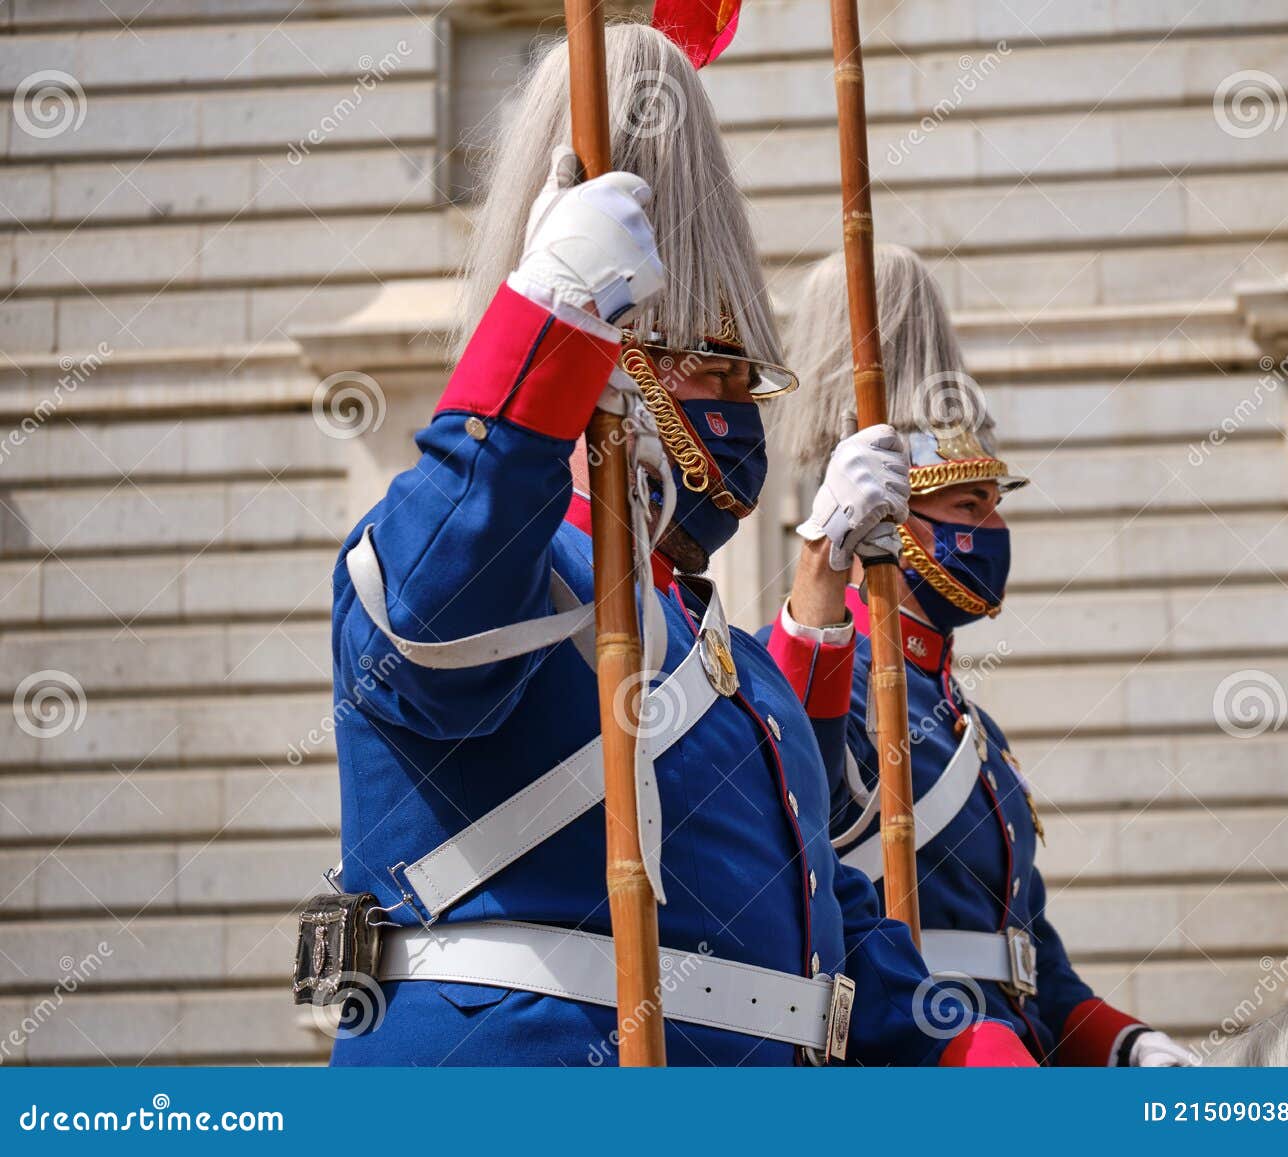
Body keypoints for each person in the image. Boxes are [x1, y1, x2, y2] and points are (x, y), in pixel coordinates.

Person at [322, 25, 1032, 1067]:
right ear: (623, 368)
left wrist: (964, 1048)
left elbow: (828, 929)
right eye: (712, 372)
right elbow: (428, 611)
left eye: (752, 385)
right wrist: (547, 321)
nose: (742, 415)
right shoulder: (523, 574)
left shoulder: (730, 665)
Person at [768, 245, 1197, 1066]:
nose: (993, 532)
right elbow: (796, 792)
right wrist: (824, 558)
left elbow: (1027, 953)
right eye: (970, 505)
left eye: (996, 508)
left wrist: (1125, 1042)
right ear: (901, 521)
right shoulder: (827, 668)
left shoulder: (976, 728)